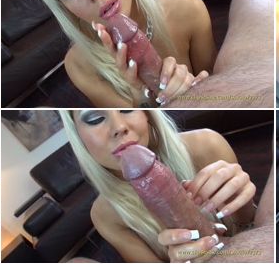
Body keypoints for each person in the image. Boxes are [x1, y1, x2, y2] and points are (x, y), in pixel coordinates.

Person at [61, 109, 256, 262]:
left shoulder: (206, 145)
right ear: (78, 136)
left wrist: (244, 209)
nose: (119, 127)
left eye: (127, 109)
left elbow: (254, 228)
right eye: (95, 119)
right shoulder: (105, 214)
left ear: (146, 114)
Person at [30, 0, 215, 107]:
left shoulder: (188, 9)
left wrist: (195, 93)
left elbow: (217, 87)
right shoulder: (79, 63)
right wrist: (141, 97)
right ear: (65, 9)